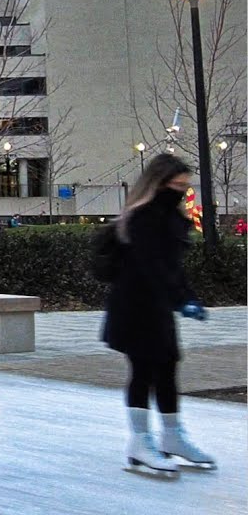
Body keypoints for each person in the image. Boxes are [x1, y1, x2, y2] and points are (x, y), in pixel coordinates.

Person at [103, 154, 214, 475]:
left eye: (185, 186)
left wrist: (187, 298)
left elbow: (173, 268)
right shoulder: (143, 218)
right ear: (160, 183)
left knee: (167, 366)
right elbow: (151, 266)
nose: (181, 191)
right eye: (177, 185)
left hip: (157, 306)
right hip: (134, 306)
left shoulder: (171, 218)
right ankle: (140, 440)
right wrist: (180, 299)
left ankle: (172, 435)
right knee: (143, 370)